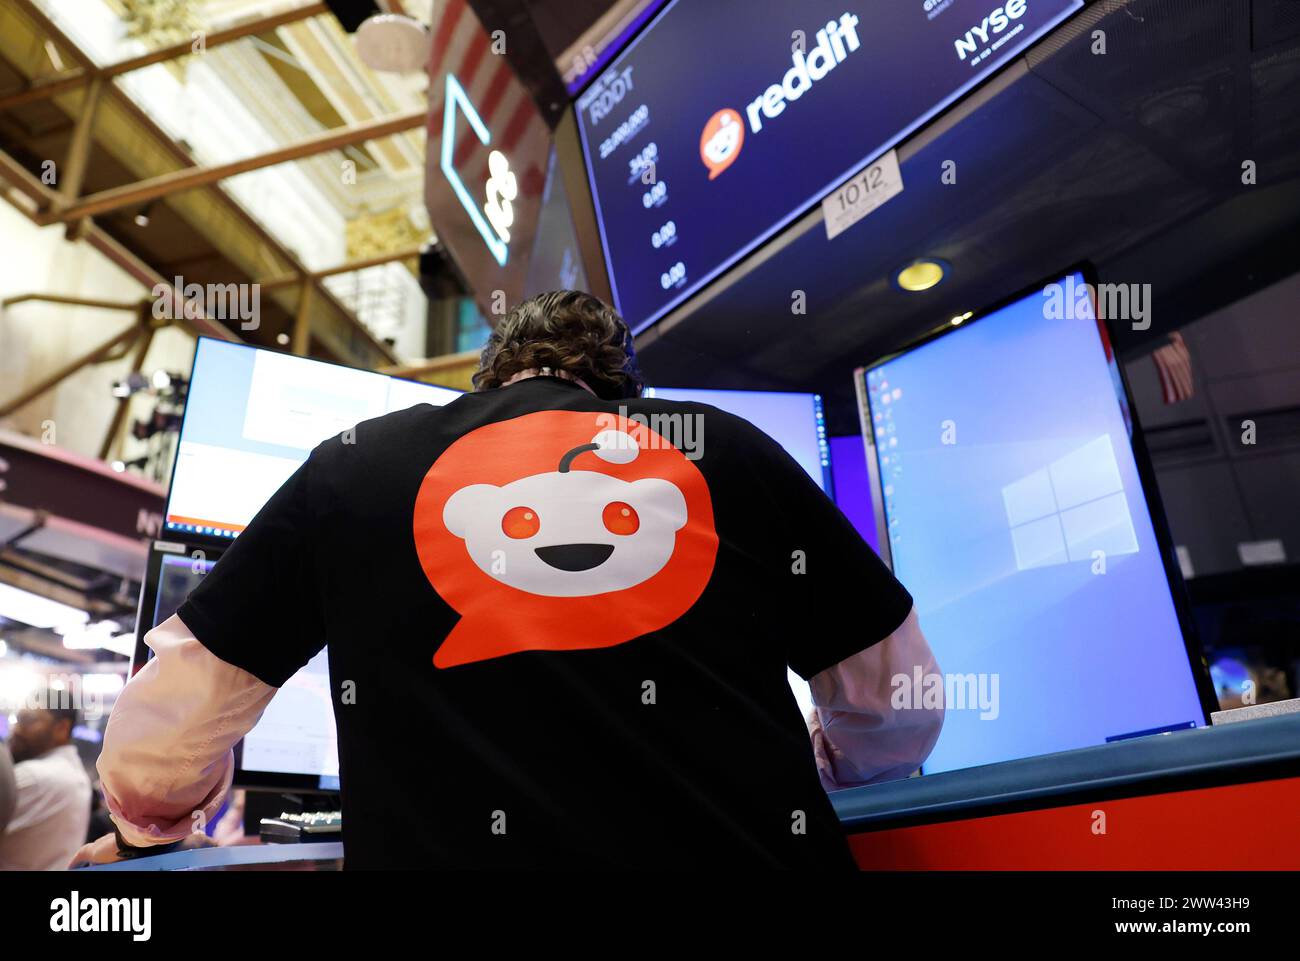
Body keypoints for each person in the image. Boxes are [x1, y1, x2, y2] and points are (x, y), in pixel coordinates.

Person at [79, 290, 943, 869]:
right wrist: (834, 762)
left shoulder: (353, 469)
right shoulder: (727, 447)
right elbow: (901, 699)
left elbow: (173, 721)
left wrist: (151, 824)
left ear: (486, 380)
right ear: (621, 394)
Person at [1, 697, 91, 870]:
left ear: (62, 728)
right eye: (17, 720)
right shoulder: (76, 774)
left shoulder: (33, 776)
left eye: (28, 720)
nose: (16, 730)